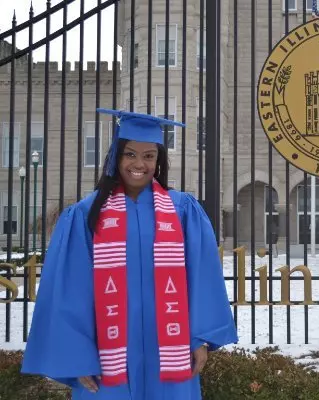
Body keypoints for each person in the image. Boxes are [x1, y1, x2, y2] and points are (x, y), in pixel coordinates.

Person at [21, 108, 238, 400]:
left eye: (149, 156)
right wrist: (78, 353)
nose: (140, 163)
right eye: (130, 154)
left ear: (158, 161)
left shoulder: (182, 210)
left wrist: (199, 338)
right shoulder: (86, 213)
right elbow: (70, 287)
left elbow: (201, 275)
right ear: (115, 157)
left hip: (169, 348)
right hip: (106, 353)